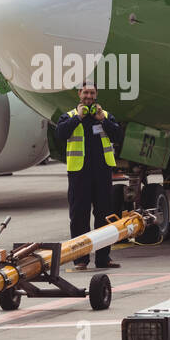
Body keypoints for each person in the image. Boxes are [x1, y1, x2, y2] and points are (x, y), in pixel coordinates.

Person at [54, 83, 124, 270]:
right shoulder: (69, 117)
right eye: (86, 92)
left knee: (104, 216)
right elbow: (60, 134)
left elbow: (118, 135)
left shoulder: (105, 116)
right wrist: (78, 117)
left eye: (92, 93)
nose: (89, 96)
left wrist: (103, 120)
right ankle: (81, 259)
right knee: (79, 217)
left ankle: (103, 258)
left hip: (102, 173)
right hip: (79, 173)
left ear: (96, 95)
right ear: (79, 94)